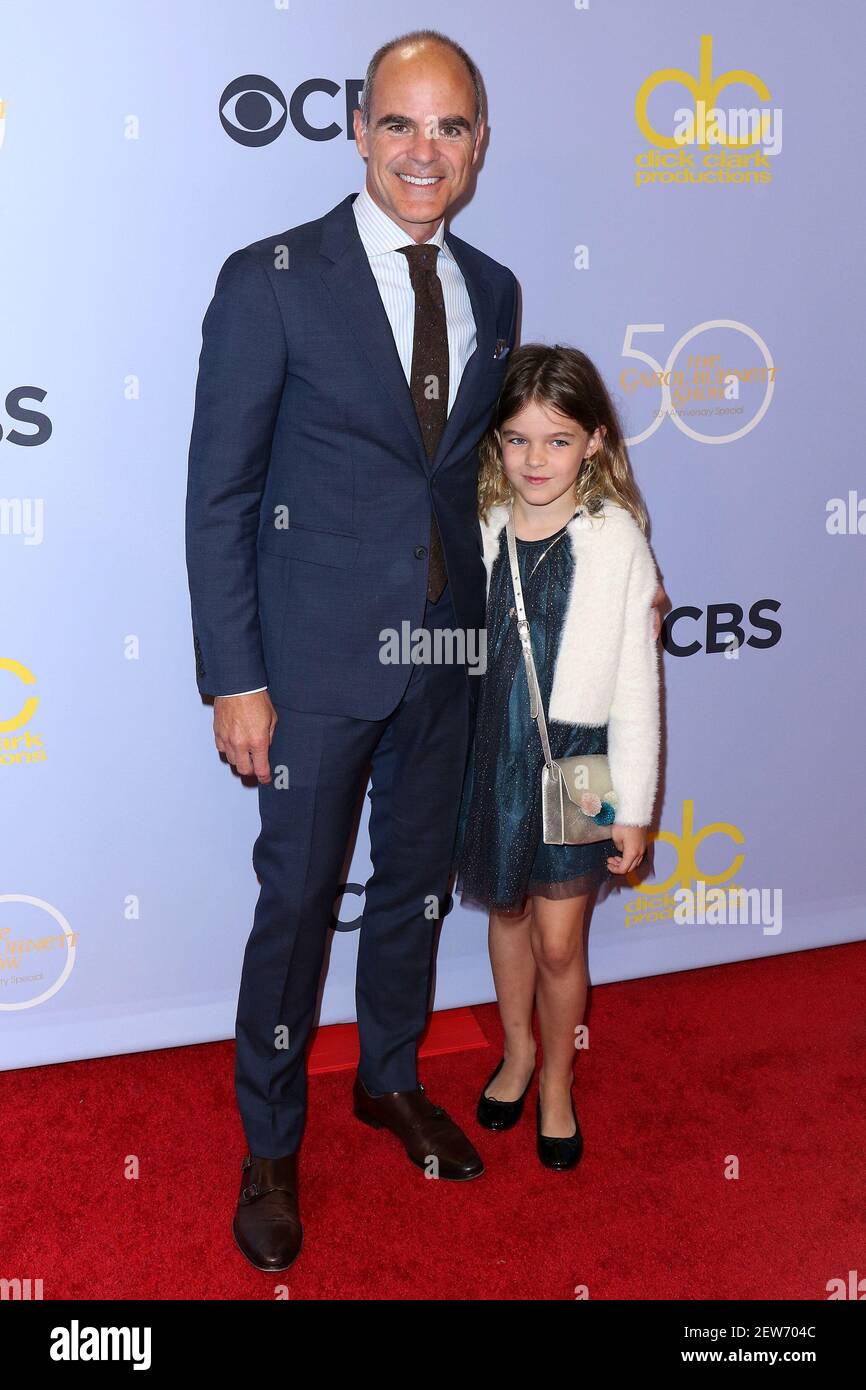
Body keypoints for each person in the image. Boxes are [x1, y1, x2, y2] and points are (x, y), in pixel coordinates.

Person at [185, 29, 523, 1273]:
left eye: (449, 128)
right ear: (357, 130)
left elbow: (474, 480)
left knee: (413, 887)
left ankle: (387, 1078)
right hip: (312, 664)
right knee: (293, 905)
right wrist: (237, 676)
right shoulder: (270, 277)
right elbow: (217, 493)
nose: (422, 152)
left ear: (479, 144)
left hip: (443, 651)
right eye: (399, 124)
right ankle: (269, 1138)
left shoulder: (494, 287)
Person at [452, 343, 663, 1171]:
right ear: (495, 444)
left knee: (560, 943)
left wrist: (635, 808)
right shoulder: (480, 525)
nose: (536, 459)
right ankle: (516, 1055)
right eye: (517, 439)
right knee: (506, 915)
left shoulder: (617, 542)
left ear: (597, 443)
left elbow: (637, 691)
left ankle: (558, 1084)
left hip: (577, 762)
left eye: (558, 439)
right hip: (489, 755)